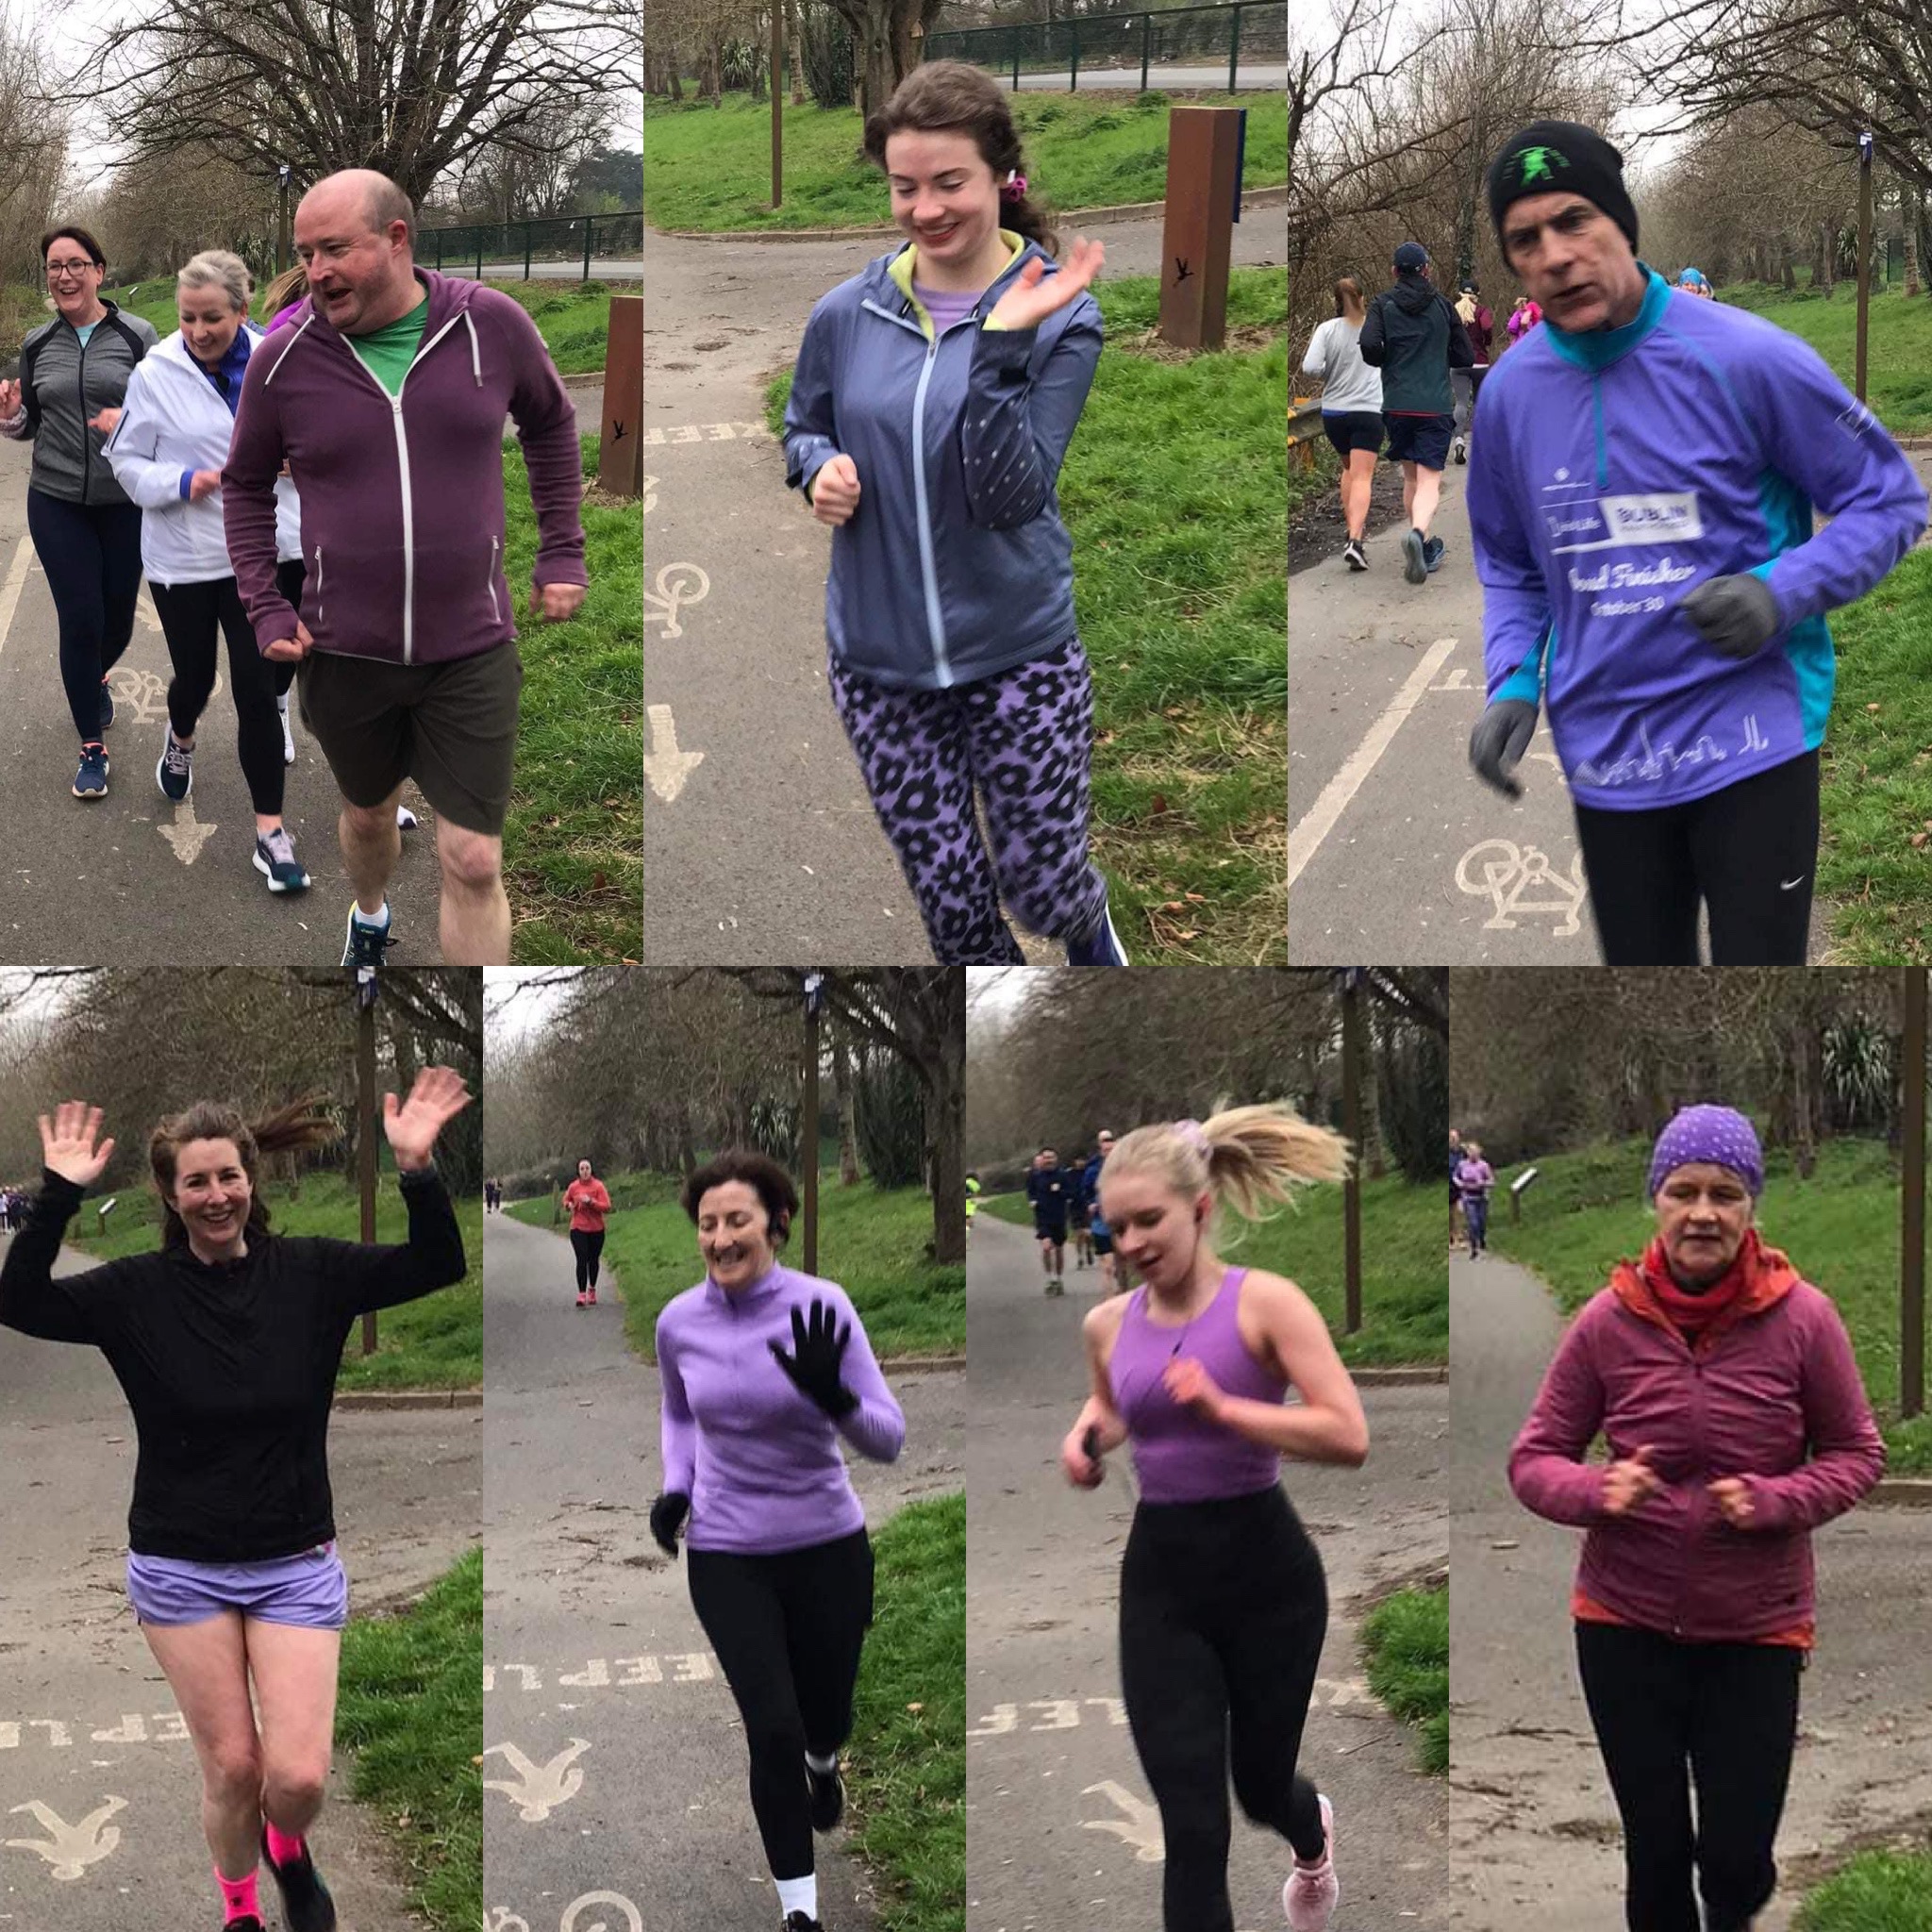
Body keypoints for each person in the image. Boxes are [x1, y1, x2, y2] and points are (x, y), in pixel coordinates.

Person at [0, 1068, 472, 1932]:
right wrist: (57, 1196)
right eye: (195, 1181)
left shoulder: (315, 1274)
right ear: (169, 1194)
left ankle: (288, 1849)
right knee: (233, 1769)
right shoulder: (134, 1292)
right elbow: (18, 1302)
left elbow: (439, 1263)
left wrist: (417, 1167)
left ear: (251, 1181)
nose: (215, 1196)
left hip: (294, 1560)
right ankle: (241, 1910)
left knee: (295, 1780)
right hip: (181, 1567)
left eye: (228, 1177)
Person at [1467, 118, 1927, 965]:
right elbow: (1510, 564)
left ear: (1621, 224)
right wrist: (1512, 679)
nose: (1555, 254)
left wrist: (1781, 591)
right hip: (1608, 758)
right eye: (1524, 239)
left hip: (1750, 745)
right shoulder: (1508, 399)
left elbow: (1890, 501)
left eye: (1574, 221)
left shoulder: (1749, 357)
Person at [782, 61, 1126, 968]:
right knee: (961, 926)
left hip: (1019, 653)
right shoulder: (844, 314)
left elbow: (1010, 494)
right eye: (905, 187)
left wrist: (1005, 346)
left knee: (1044, 888)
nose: (926, 209)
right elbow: (803, 424)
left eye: (949, 183)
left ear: (1000, 179)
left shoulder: (1063, 319)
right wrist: (817, 467)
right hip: (880, 668)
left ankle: (1093, 940)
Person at [1508, 1105, 1884, 1932]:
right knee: (1657, 1851)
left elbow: (1859, 1452)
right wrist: (1596, 1491)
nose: (1703, 1212)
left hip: (1756, 1631)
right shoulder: (1606, 1323)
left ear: (1752, 1206)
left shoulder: (1805, 1321)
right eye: (1683, 1192)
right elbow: (1533, 1460)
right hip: (1623, 1625)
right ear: (1657, 1201)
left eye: (1724, 1193)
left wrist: (1777, 1501)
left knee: (1736, 1861)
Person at [222, 168, 590, 968]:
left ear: (396, 240)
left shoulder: (488, 325)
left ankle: (479, 1050)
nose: (316, 271)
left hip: (471, 645)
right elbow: (245, 485)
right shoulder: (282, 360)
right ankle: (370, 911)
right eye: (304, 253)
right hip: (345, 650)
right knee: (366, 820)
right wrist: (263, 603)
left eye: (334, 249)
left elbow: (553, 423)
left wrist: (561, 546)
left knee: (474, 859)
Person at [1063, 1108, 1370, 1932]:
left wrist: (1229, 1408)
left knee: (1261, 1790)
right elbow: (1115, 1402)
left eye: (1148, 1220)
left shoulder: (1265, 1304)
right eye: (1115, 1224)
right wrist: (1088, 1438)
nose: (1130, 1242)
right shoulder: (1107, 1324)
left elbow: (1348, 1433)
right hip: (1163, 1583)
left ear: (1199, 1211)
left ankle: (1312, 1833)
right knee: (1193, 1826)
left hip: (1270, 1580)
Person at [650, 1150, 907, 1932]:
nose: (721, 1239)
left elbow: (888, 1439)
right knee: (773, 1725)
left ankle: (824, 1765)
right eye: (707, 1224)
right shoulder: (677, 1324)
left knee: (824, 1717)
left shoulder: (822, 1308)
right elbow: (681, 1414)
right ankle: (800, 1912)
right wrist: (676, 1489)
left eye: (737, 1221)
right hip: (728, 1553)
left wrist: (834, 1397)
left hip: (828, 1544)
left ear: (776, 1224)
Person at [103, 250, 311, 893]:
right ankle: (182, 735)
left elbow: (321, 440)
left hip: (261, 553)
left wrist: (298, 460)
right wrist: (191, 479)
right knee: (195, 678)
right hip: (186, 558)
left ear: (243, 311)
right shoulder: (154, 373)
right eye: (188, 318)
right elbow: (128, 462)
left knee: (255, 689)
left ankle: (270, 835)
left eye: (212, 318)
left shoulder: (281, 362)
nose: (198, 331)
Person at [0, 225, 160, 800]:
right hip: (56, 499)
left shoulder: (139, 336)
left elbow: (164, 415)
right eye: (53, 266)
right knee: (81, 615)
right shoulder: (38, 342)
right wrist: (13, 418)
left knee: (117, 616)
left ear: (99, 269)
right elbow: (31, 428)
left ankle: (94, 677)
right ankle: (92, 745)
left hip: (125, 502)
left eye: (75, 264)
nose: (63, 275)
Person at [1358, 242, 1474, 586]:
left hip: (1397, 402)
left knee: (1410, 477)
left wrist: (1386, 360)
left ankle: (1419, 543)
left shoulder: (1382, 304)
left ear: (1395, 271)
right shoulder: (1442, 306)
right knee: (1429, 480)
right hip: (1434, 405)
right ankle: (1419, 532)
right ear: (1426, 270)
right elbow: (1464, 356)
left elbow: (1368, 346)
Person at [1300, 275, 1385, 571]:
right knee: (1363, 475)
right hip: (1367, 411)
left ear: (1336, 301)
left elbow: (1310, 367)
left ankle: (1351, 533)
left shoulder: (1326, 329)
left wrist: (1331, 375)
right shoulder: (1376, 328)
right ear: (1363, 297)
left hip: (1334, 413)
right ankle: (1355, 540)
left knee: (1349, 469)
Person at [1452, 281, 1495, 464]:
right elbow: (1486, 327)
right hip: (1479, 363)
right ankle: (1479, 446)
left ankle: (1459, 441)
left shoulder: (1452, 311)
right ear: (1477, 294)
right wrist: (1485, 341)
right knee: (1479, 403)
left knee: (1460, 402)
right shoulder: (1482, 311)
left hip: (1458, 363)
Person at [561, 1158, 611, 1308]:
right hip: (578, 1228)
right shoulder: (573, 1187)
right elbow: (566, 1200)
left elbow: (607, 1206)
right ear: (578, 1171)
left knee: (593, 1260)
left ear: (591, 1170)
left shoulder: (598, 1186)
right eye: (582, 1169)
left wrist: (591, 1202)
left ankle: (592, 1289)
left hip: (596, 1229)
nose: (584, 1171)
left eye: (587, 1168)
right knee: (581, 1259)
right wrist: (568, 1205)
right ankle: (581, 1294)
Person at [1027, 1146, 1072, 1294]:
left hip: (1059, 1217)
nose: (1049, 1160)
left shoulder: (1063, 1175)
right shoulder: (1036, 1176)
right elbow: (1031, 1191)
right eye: (1046, 1158)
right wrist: (1032, 1200)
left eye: (1051, 1157)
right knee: (1046, 1247)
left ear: (1056, 1159)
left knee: (1059, 1250)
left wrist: (1060, 1191)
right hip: (1042, 1218)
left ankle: (1058, 1278)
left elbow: (1070, 1194)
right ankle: (1050, 1278)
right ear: (1042, 1159)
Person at [1082, 1128, 1117, 1291]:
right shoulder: (1093, 1171)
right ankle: (1109, 1301)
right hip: (1101, 1224)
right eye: (1106, 1150)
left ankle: (1124, 1297)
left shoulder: (1124, 1169)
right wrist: (1090, 1203)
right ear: (1101, 1151)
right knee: (1108, 1265)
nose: (1109, 1153)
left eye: (1112, 1150)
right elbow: (1085, 1191)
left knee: (1121, 1267)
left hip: (1120, 1223)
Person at [1455, 1141, 1494, 1257]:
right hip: (1468, 1197)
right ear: (1467, 1153)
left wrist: (1483, 1183)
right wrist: (1460, 1183)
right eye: (1470, 1151)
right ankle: (1474, 1248)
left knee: (1481, 1222)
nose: (1472, 1154)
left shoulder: (1484, 1165)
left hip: (1481, 1197)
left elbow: (1492, 1181)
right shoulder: (1462, 1165)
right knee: (1473, 1223)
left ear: (1479, 1152)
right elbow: (1455, 1176)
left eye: (1475, 1151)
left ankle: (1482, 1239)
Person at [1448, 1126, 1467, 1249]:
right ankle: (1452, 1237)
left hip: (1460, 1185)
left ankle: (1460, 1237)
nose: (1454, 1140)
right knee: (1450, 1213)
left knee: (1459, 1211)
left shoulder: (1463, 1152)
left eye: (1456, 1137)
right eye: (1452, 1138)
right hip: (1449, 1185)